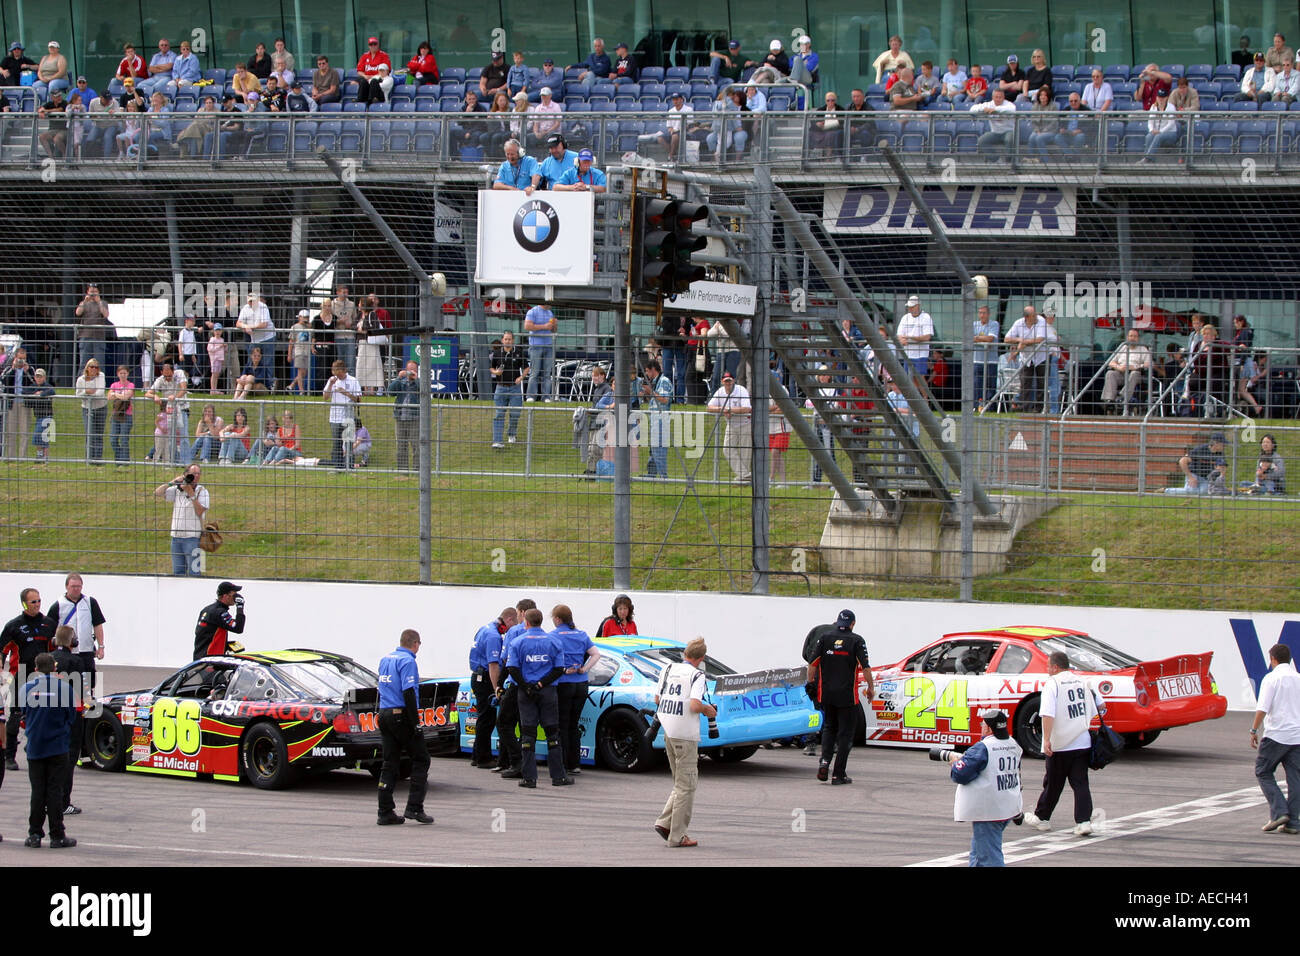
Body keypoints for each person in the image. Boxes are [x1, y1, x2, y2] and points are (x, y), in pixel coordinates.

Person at [1023, 650, 1102, 836]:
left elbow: (1047, 714)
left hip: (1061, 744)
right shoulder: (1082, 681)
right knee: (1080, 783)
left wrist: (1047, 740)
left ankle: (1042, 818)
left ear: (1055, 667)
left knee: (1053, 783)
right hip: (1082, 741)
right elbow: (1099, 706)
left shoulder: (1053, 684)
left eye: (1048, 666)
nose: (1047, 669)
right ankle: (1083, 822)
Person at [653, 637, 716, 847]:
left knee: (680, 783)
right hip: (685, 734)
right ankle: (677, 836)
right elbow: (695, 705)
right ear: (702, 658)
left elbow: (657, 699)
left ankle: (664, 823)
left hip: (668, 730)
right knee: (687, 786)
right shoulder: (697, 675)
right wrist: (708, 710)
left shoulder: (668, 668)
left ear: (685, 654)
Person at [941, 708, 1023, 867]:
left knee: (989, 858)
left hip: (988, 811)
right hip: (1007, 806)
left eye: (982, 724)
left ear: (989, 728)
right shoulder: (1013, 744)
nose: (981, 727)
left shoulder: (984, 747)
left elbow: (960, 774)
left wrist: (954, 762)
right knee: (979, 854)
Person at [805, 609, 872, 785]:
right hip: (847, 696)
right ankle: (838, 774)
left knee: (829, 728)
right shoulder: (857, 640)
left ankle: (824, 762)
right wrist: (871, 688)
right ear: (853, 624)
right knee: (845, 734)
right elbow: (865, 668)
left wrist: (810, 683)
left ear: (837, 621)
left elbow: (811, 664)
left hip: (826, 694)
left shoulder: (825, 637)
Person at [505, 608, 569, 788]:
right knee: (552, 733)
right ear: (541, 621)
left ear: (526, 622)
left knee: (528, 734)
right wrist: (541, 684)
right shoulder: (554, 641)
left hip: (525, 693)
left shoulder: (517, 642)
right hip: (547, 691)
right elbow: (559, 669)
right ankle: (558, 777)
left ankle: (529, 778)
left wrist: (526, 686)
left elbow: (512, 668)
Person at [376, 629, 433, 824]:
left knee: (390, 762)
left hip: (384, 714)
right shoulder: (408, 661)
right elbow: (408, 692)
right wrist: (416, 723)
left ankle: (384, 811)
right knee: (421, 758)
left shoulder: (385, 659)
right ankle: (414, 807)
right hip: (400, 714)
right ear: (415, 643)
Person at [21, 653, 78, 848]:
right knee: (55, 791)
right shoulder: (65, 688)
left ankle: (35, 834)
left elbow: (23, 713)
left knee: (37, 791)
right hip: (57, 747)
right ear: (54, 668)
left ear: (36, 669)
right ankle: (57, 835)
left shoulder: (27, 688)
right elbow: (71, 716)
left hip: (36, 746)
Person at [2, 587, 55, 772]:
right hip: (21, 675)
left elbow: (54, 647)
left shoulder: (49, 624)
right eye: (33, 602)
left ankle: (34, 744)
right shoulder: (13, 626)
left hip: (43, 676)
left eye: (39, 601)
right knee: (16, 715)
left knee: (43, 713)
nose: (37, 605)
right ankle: (9, 755)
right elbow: (2, 650)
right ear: (25, 604)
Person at [1250, 643, 1300, 834]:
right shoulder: (1298, 678)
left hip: (1277, 735)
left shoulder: (1271, 678)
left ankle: (1279, 811)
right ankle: (1293, 822)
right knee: (1295, 778)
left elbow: (1263, 707)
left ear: (1273, 659)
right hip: (1297, 736)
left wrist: (1253, 729)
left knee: (1263, 771)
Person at [552, 604, 599, 776]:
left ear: (557, 619)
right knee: (574, 724)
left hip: (563, 683)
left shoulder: (554, 636)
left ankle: (564, 763)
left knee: (562, 724)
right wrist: (584, 669)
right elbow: (596, 654)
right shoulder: (581, 634)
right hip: (581, 684)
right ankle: (575, 764)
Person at [468, 607, 516, 768]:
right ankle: (483, 758)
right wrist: (497, 688)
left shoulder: (485, 628)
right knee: (487, 719)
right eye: (514, 624)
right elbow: (493, 665)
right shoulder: (494, 636)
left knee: (483, 718)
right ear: (509, 620)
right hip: (485, 678)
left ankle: (477, 755)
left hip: (478, 676)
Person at [49, 625, 89, 816]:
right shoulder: (76, 661)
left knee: (50, 759)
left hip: (49, 714)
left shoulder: (47, 658)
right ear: (73, 642)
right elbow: (83, 689)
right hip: (72, 713)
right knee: (69, 758)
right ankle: (64, 802)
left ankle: (50, 800)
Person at [43, 574, 105, 685]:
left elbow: (98, 625)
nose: (76, 589)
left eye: (79, 586)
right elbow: (50, 630)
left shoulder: (90, 602)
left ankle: (86, 700)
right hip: (66, 651)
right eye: (73, 586)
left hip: (86, 651)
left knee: (88, 683)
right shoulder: (58, 605)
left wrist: (101, 647)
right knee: (67, 681)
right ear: (67, 587)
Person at [153, 463, 210, 575]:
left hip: (193, 538)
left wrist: (191, 493)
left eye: (198, 473)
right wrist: (173, 482)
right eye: (193, 474)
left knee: (195, 573)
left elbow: (200, 511)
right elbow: (157, 492)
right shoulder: (177, 489)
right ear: (185, 475)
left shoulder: (202, 491)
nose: (196, 476)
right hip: (176, 538)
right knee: (178, 573)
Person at [707, 370, 752, 482]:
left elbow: (747, 408)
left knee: (745, 452)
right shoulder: (720, 391)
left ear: (734, 381)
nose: (728, 383)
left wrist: (731, 410)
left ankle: (744, 479)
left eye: (730, 381)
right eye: (726, 381)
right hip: (731, 425)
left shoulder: (741, 390)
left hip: (745, 424)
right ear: (722, 382)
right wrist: (723, 410)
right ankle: (745, 474)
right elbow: (709, 407)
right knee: (727, 449)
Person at [490, 332, 528, 448]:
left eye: (509, 339)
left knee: (515, 413)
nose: (507, 341)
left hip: (515, 388)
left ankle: (512, 434)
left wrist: (521, 377)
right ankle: (497, 441)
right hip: (500, 388)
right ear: (502, 340)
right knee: (499, 414)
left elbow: (526, 367)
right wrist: (496, 372)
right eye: (505, 339)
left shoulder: (518, 353)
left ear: (513, 340)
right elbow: (491, 367)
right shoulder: (496, 353)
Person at [192, 581, 245, 659]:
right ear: (225, 596)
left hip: (201, 658)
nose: (236, 597)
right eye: (234, 595)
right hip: (210, 661)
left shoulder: (207, 609)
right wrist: (240, 606)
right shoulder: (219, 612)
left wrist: (225, 645)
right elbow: (238, 628)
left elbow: (206, 635)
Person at [323, 359, 361, 468]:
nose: (337, 376)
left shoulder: (353, 381)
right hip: (334, 418)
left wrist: (346, 393)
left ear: (344, 370)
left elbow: (359, 400)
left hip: (348, 417)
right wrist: (330, 384)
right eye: (335, 373)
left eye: (339, 373)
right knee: (336, 444)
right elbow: (325, 397)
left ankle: (349, 467)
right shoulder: (332, 381)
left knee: (349, 443)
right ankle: (338, 467)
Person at [1164, 431, 1227, 496]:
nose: (1224, 446)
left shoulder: (1221, 454)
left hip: (1206, 478)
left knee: (1205, 492)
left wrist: (1220, 474)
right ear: (1216, 444)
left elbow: (1222, 468)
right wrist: (1190, 477)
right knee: (1191, 491)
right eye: (1223, 444)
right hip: (1194, 474)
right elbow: (1182, 461)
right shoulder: (1201, 449)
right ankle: (1166, 490)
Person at [640, 358, 672, 478]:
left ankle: (664, 476)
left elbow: (664, 399)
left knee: (659, 449)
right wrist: (646, 394)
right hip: (655, 419)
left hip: (661, 419)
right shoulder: (656, 382)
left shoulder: (664, 381)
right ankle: (652, 473)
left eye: (648, 371)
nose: (647, 374)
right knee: (653, 448)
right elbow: (654, 400)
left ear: (653, 370)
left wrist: (651, 391)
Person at [388, 360, 420, 472]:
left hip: (415, 419)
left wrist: (416, 379)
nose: (410, 372)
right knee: (401, 447)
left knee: (417, 447)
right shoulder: (401, 383)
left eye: (413, 370)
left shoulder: (419, 383)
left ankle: (417, 472)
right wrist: (398, 378)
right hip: (400, 418)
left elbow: (425, 390)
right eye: (408, 370)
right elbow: (390, 392)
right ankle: (402, 472)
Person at [523, 302, 557, 402]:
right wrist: (544, 326)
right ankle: (530, 396)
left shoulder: (550, 313)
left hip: (549, 345)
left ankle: (546, 396)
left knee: (547, 373)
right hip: (535, 346)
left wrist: (554, 326)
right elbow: (527, 326)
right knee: (535, 372)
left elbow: (553, 331)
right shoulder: (532, 311)